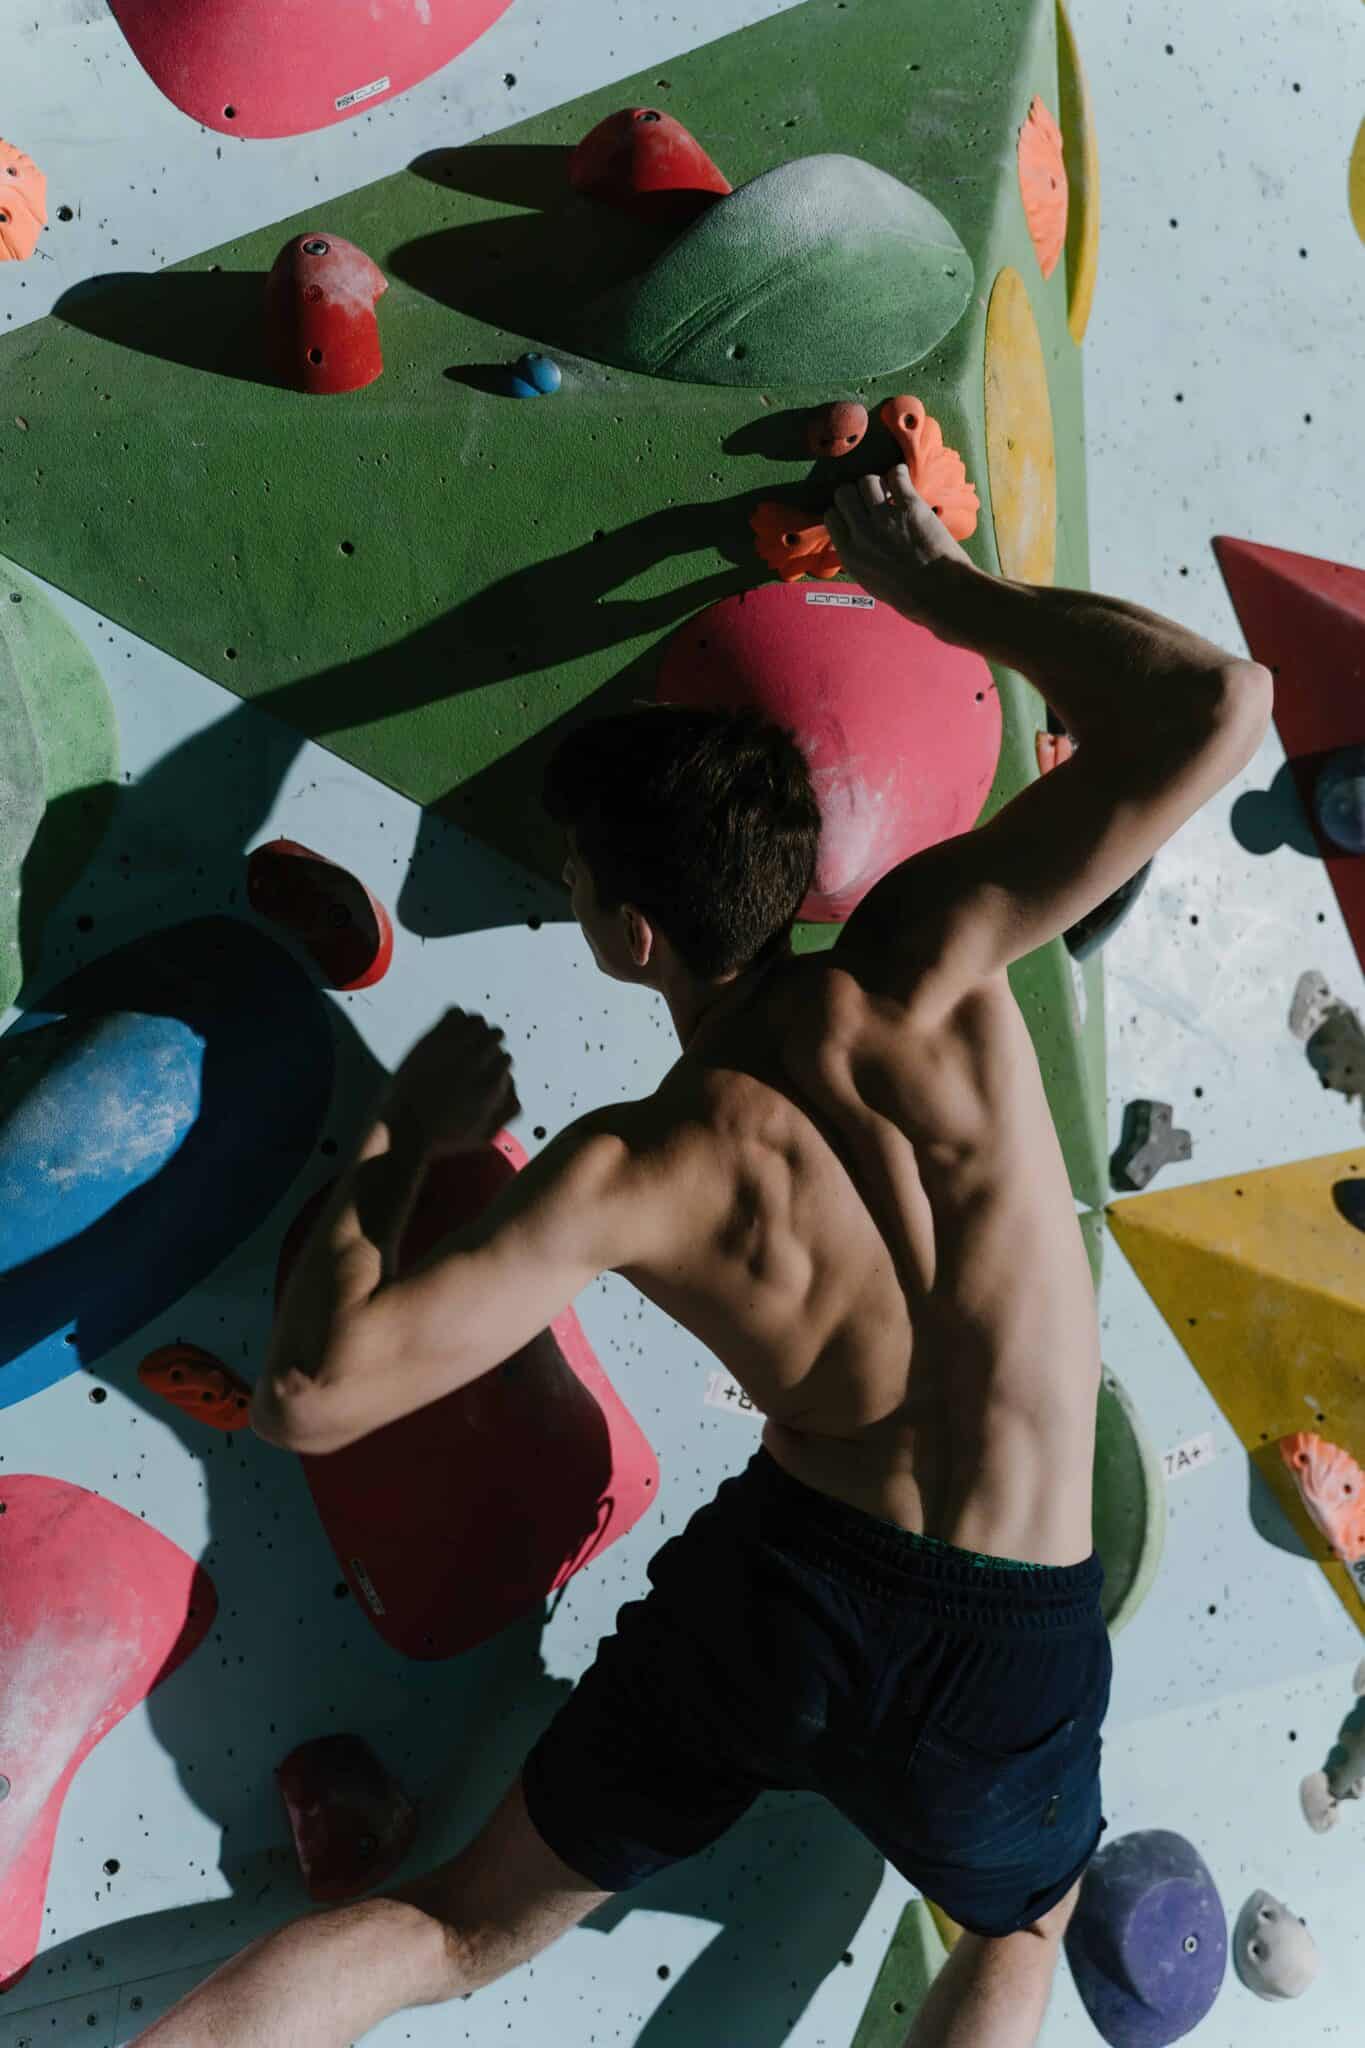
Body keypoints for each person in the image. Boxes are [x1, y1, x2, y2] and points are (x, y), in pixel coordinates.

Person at [134, 465, 1271, 2048]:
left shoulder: (636, 1165)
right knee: (1020, 1920)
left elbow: (315, 1396)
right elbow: (1218, 702)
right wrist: (928, 579)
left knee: (458, 1929)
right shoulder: (937, 948)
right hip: (1010, 1621)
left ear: (631, 937)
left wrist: (401, 1136)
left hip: (794, 1596)